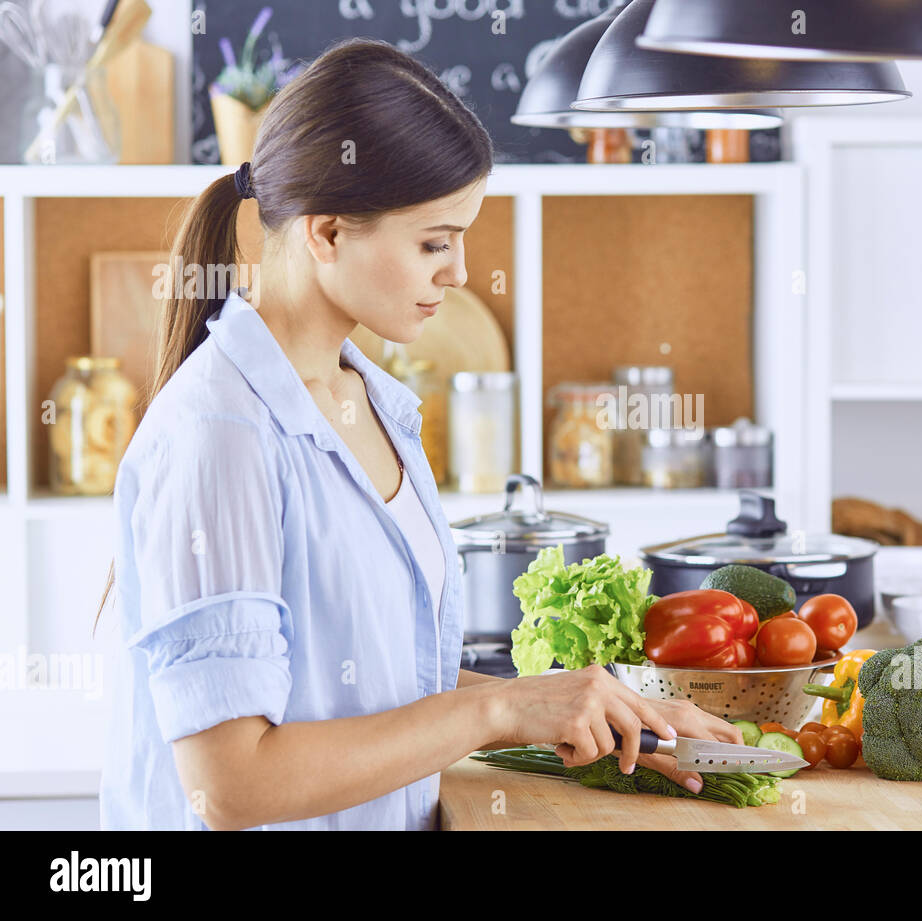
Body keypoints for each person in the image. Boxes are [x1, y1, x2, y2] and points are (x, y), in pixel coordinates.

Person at [96, 38, 740, 831]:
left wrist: (594, 704)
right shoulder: (221, 435)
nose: (461, 272)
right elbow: (231, 784)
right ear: (327, 234)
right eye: (435, 241)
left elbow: (378, 688)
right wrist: (499, 709)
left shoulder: (370, 399)